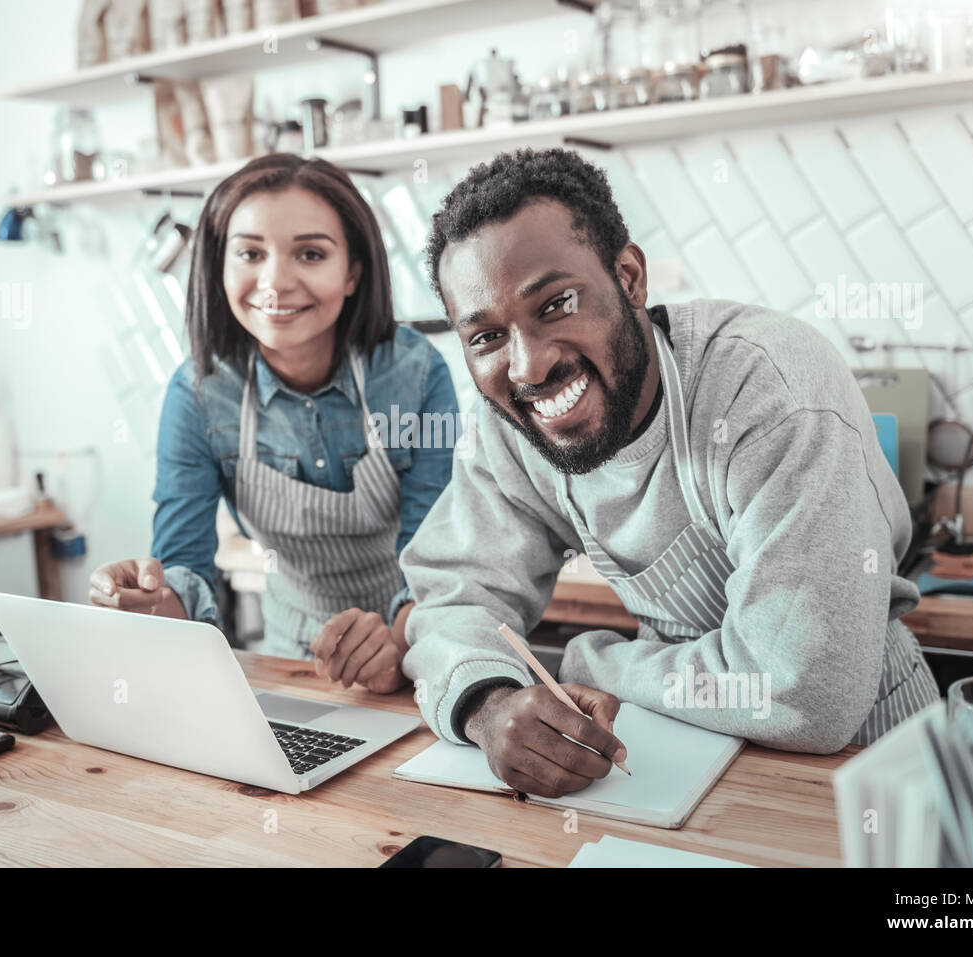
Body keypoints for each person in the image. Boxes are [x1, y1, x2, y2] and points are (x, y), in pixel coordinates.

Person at [400, 147, 939, 797]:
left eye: (556, 303)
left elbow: (798, 691)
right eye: (486, 337)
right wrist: (486, 705)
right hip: (671, 752)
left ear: (629, 277)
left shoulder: (770, 389)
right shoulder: (513, 428)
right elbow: (454, 596)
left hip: (867, 764)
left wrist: (588, 662)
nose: (530, 366)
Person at [90, 154, 458, 694]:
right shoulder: (198, 395)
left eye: (310, 253)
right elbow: (184, 565)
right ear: (220, 266)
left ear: (353, 273)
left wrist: (398, 643)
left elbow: (438, 550)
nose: (276, 282)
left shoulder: (417, 373)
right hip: (288, 663)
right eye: (250, 253)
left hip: (417, 648)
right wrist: (150, 599)